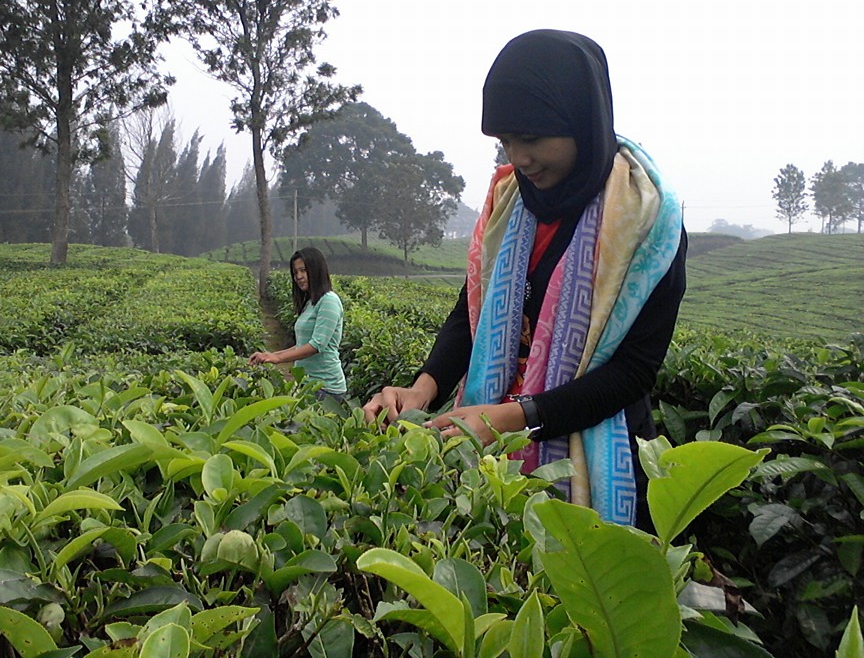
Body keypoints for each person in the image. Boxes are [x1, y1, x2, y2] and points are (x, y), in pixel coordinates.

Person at [362, 29, 686, 528]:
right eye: (506, 142)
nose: (518, 158)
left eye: (531, 139)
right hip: (491, 439)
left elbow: (634, 371)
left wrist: (516, 418)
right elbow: (472, 312)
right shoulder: (508, 203)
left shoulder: (646, 219)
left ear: (582, 119)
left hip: (594, 444)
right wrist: (422, 388)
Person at [250, 246, 347, 401]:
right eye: (295, 272)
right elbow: (302, 344)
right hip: (307, 384)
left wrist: (279, 359)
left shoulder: (329, 301)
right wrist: (270, 355)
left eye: (303, 270)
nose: (299, 276)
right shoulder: (310, 303)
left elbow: (316, 345)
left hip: (325, 388)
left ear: (316, 270)